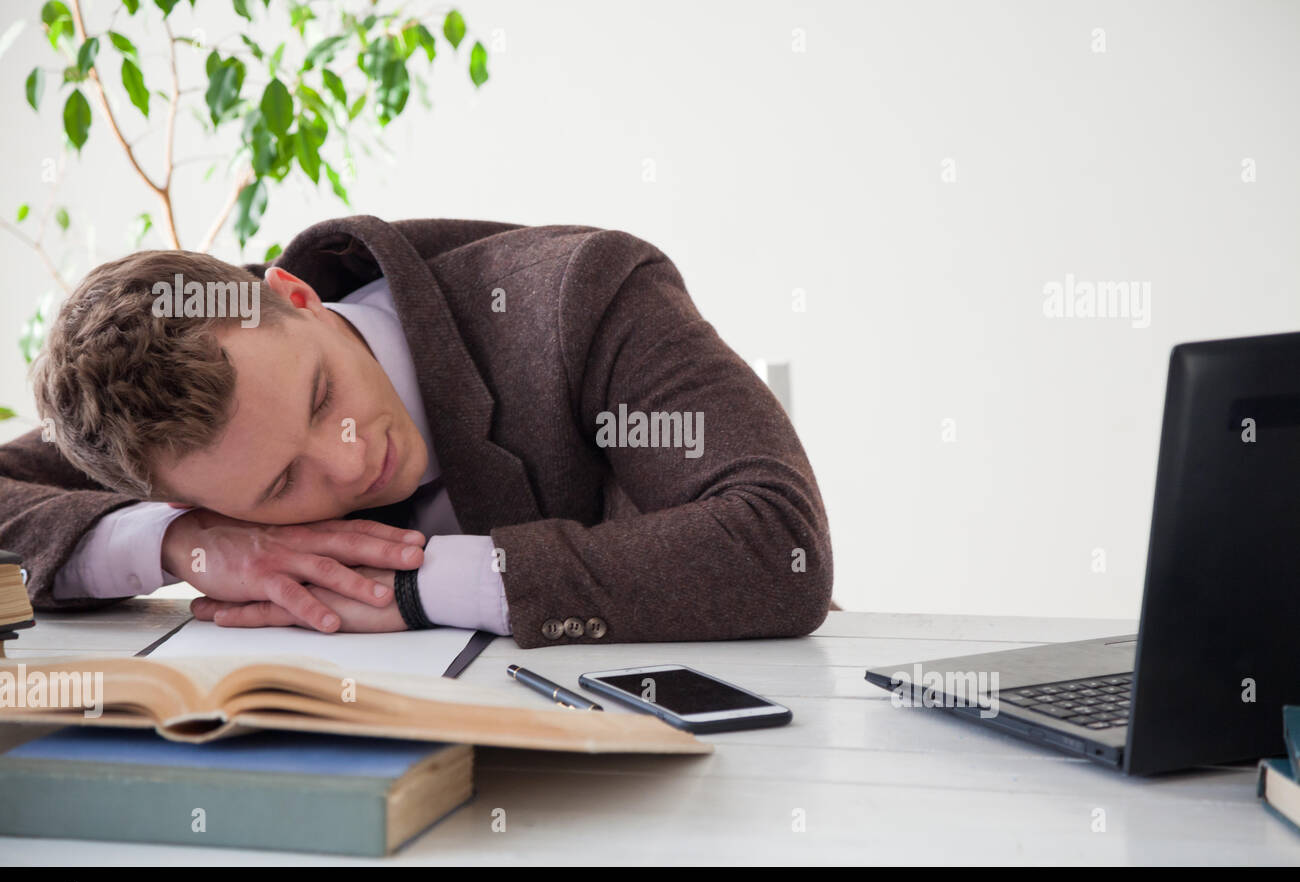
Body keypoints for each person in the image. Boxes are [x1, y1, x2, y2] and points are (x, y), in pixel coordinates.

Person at [1, 216, 832, 647]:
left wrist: (416, 587)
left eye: (323, 397)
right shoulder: (168, 455)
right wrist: (185, 542)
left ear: (295, 296)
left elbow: (776, 544)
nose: (352, 457)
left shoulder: (585, 295)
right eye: (280, 485)